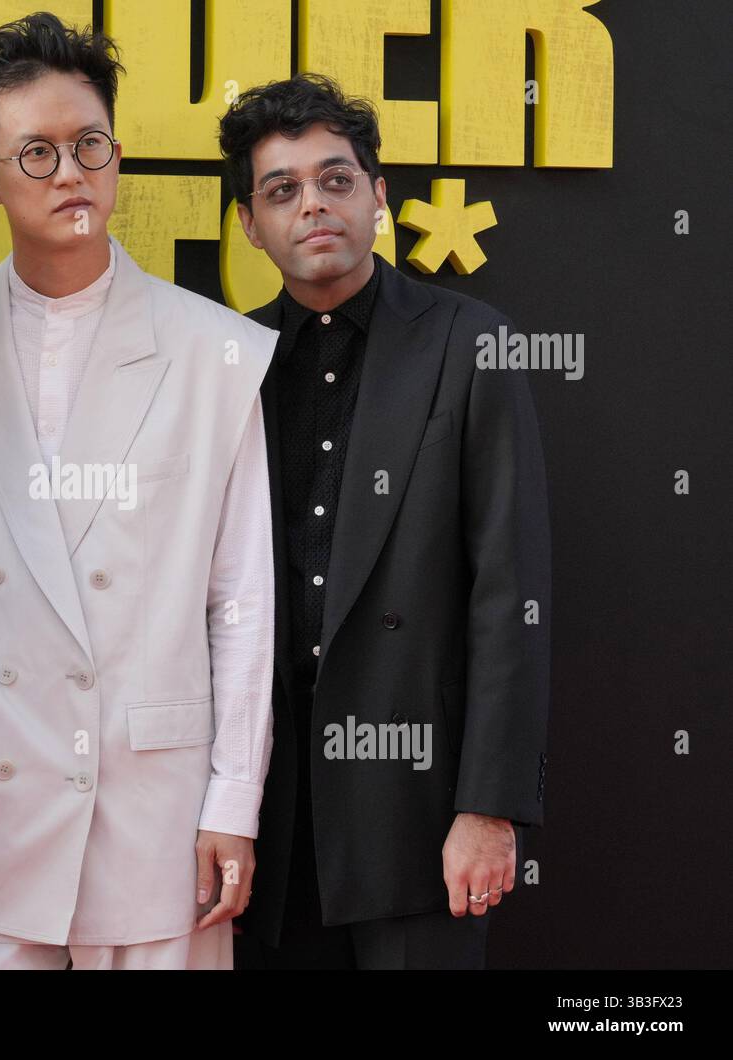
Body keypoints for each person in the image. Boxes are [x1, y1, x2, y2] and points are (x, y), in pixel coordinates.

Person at [0, 12, 276, 970]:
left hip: (156, 813)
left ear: (118, 155)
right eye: (38, 153)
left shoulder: (214, 353)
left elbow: (242, 602)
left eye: (89, 145)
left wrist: (232, 801)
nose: (71, 174)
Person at [219, 73, 551, 969]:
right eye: (281, 189)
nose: (313, 204)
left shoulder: (471, 344)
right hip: (265, 826)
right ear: (250, 225)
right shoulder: (224, 363)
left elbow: (508, 595)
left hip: (421, 819)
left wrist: (488, 809)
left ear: (379, 197)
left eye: (336, 179)